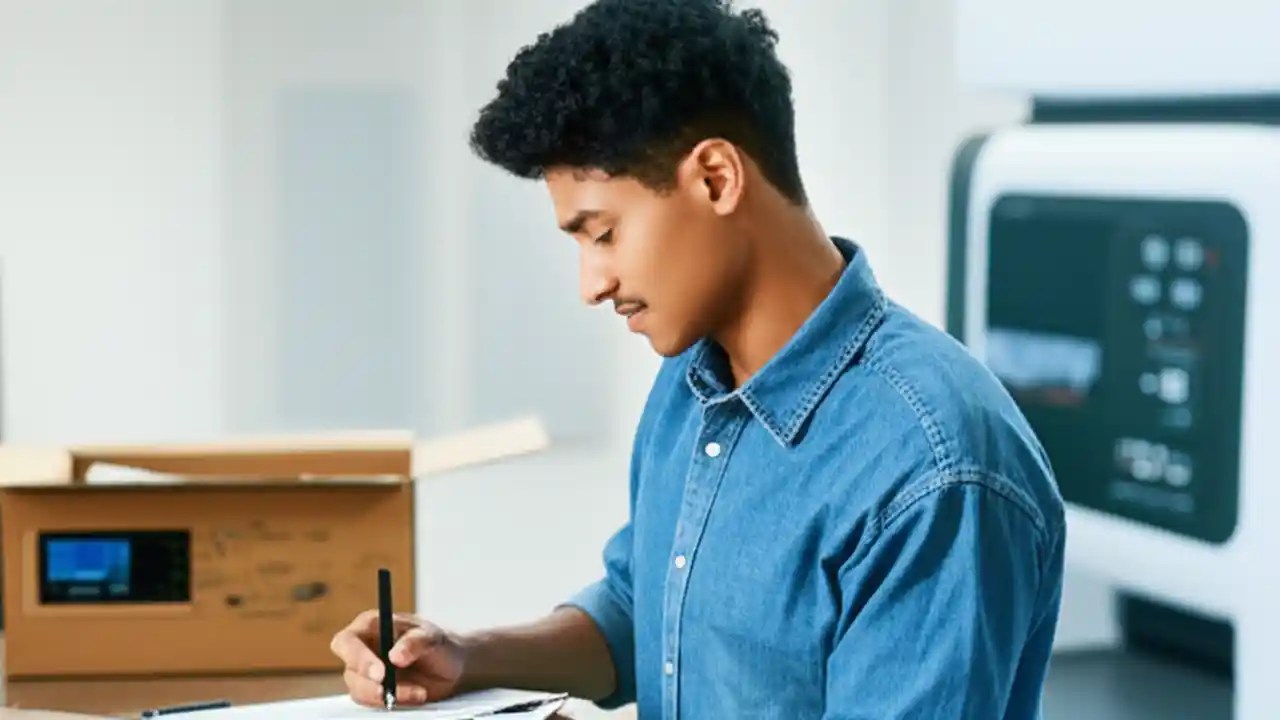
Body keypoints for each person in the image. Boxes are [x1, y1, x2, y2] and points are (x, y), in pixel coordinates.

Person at [330, 0, 1065, 717]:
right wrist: (470, 655)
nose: (592, 285)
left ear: (716, 177)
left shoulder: (935, 468)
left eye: (604, 233)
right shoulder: (692, 380)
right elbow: (644, 615)